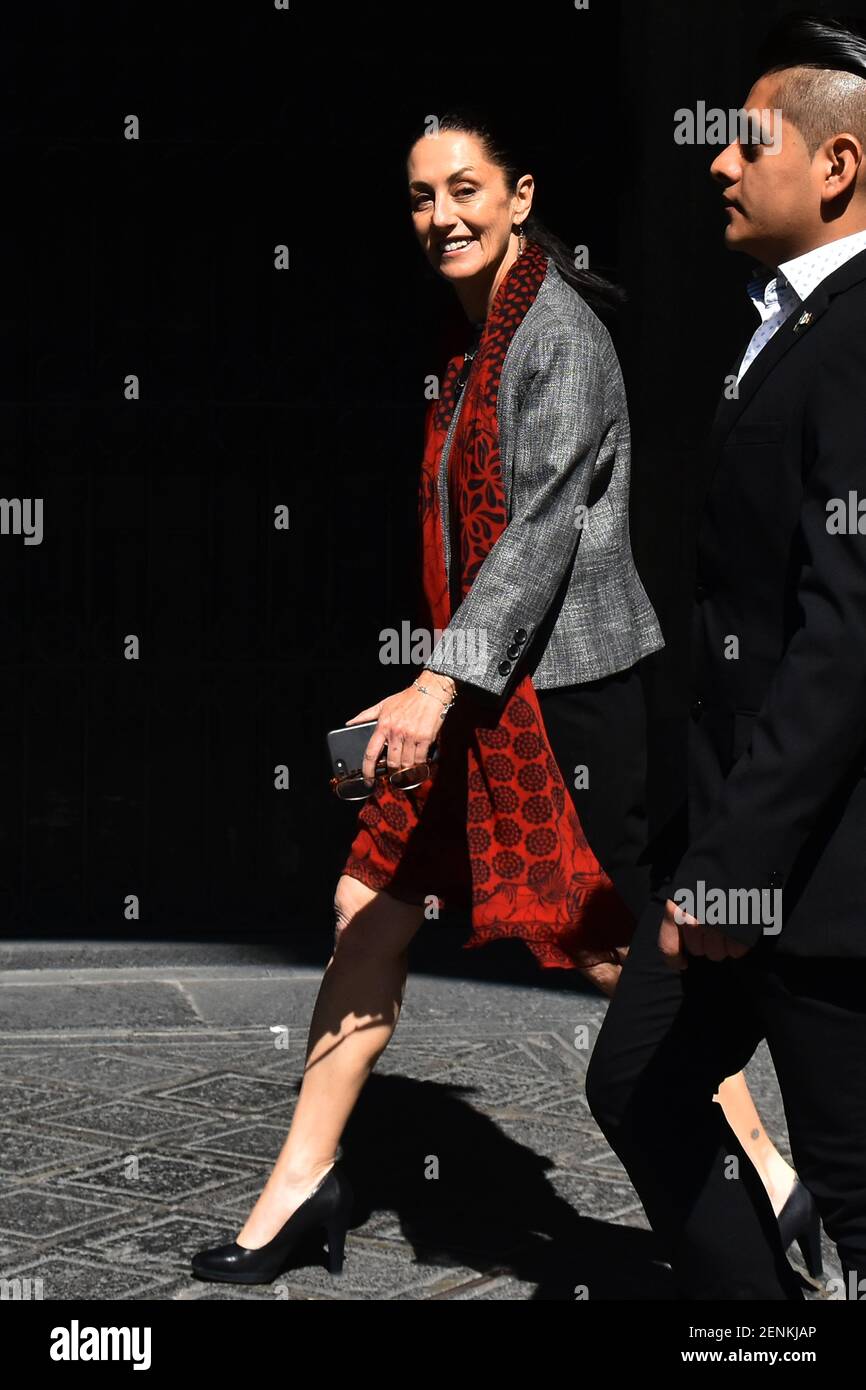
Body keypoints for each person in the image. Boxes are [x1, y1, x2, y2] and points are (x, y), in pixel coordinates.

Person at [191, 108, 801, 1287]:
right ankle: (301, 1182)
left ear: (520, 195)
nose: (441, 217)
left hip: (563, 698)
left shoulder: (555, 334)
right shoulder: (474, 335)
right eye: (420, 197)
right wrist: (437, 676)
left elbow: (536, 537)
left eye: (464, 190)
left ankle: (764, 1177)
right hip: (483, 681)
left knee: (612, 955)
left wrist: (433, 681)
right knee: (363, 899)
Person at [586, 14, 866, 1300]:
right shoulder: (786, 324)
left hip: (816, 880)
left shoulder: (857, 337)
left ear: (836, 164)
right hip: (738, 859)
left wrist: (735, 864)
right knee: (637, 1079)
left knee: (854, 1189)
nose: (714, 163)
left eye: (745, 144)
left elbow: (842, 636)